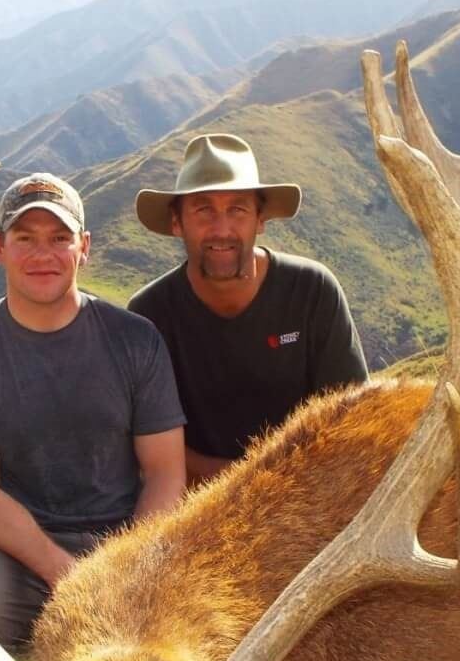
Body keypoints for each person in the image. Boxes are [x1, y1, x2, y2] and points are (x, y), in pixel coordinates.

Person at [0, 172, 186, 647]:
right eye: (25, 238)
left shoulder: (135, 339)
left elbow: (164, 471)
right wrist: (67, 575)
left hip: (127, 541)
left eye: (59, 238)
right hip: (18, 552)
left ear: (83, 247)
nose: (42, 254)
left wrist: (132, 564)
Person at [128, 133, 368, 484]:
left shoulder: (312, 291)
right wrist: (243, 485)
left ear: (260, 220)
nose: (221, 229)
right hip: (196, 502)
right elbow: (148, 442)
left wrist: (276, 484)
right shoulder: (149, 315)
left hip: (312, 489)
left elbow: (352, 414)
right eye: (203, 210)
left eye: (237, 210)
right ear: (177, 223)